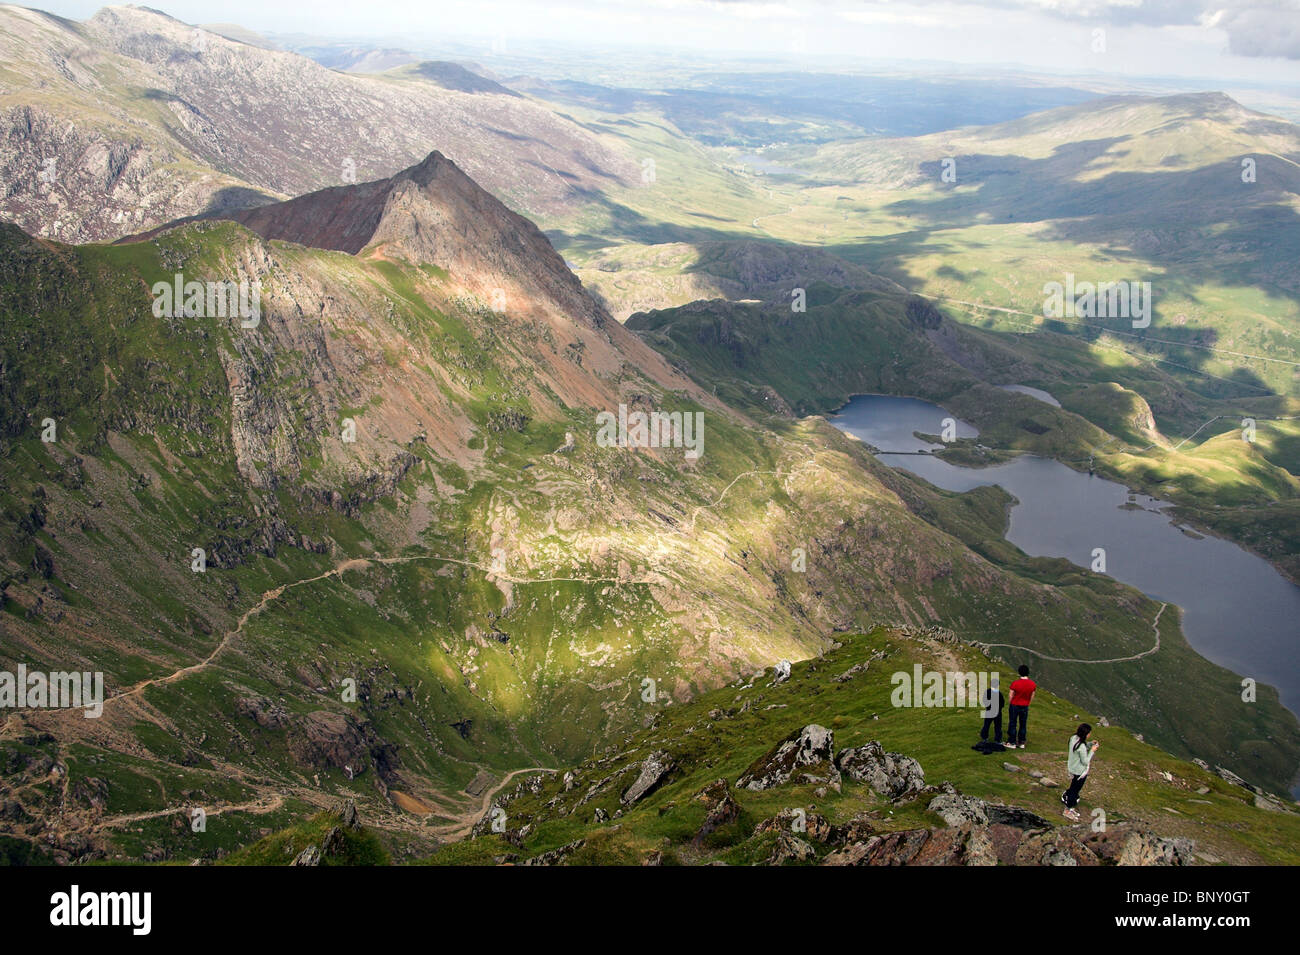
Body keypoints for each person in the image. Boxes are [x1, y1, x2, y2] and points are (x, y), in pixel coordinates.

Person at [1061, 723, 1099, 821]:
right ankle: (1068, 810)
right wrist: (1092, 750)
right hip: (1079, 771)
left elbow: (1080, 748)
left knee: (1073, 787)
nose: (1089, 735)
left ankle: (1070, 807)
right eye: (1089, 733)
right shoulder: (1081, 746)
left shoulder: (1074, 738)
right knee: (1075, 790)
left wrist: (1090, 744)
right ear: (1085, 734)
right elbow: (1085, 761)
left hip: (1072, 767)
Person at [1006, 664, 1036, 748]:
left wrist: (1011, 702)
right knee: (1023, 724)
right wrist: (1027, 703)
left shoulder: (1015, 683)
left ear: (1019, 673)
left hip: (1015, 705)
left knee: (1013, 723)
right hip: (1025, 705)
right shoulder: (1032, 684)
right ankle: (1021, 742)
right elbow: (1032, 695)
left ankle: (1012, 742)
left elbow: (1011, 695)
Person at [979, 679, 1004, 745]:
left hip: (989, 711)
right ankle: (997, 740)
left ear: (991, 684)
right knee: (998, 726)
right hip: (997, 712)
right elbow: (1002, 703)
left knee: (986, 725)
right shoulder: (999, 693)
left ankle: (984, 738)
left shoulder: (987, 691)